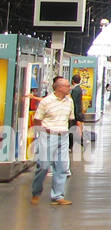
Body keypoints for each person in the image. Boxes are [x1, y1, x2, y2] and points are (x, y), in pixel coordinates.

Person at [31, 76, 77, 206]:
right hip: (47, 135)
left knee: (62, 167)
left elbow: (70, 118)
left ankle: (58, 196)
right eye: (67, 86)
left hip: (63, 136)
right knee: (44, 166)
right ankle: (36, 192)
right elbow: (37, 120)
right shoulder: (46, 102)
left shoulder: (69, 101)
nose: (70, 88)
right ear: (59, 88)